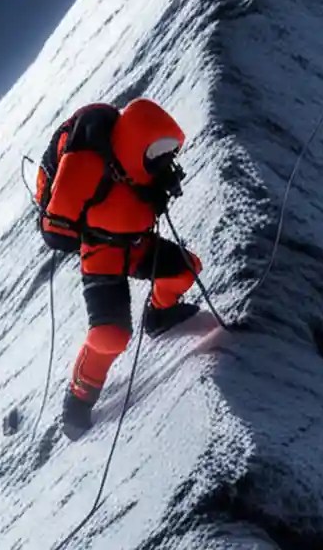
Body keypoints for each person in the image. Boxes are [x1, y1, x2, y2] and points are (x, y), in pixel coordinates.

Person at [34, 98, 202, 438]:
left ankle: (159, 316)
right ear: (136, 144)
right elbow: (55, 230)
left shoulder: (142, 166)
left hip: (135, 244)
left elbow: (139, 190)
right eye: (158, 152)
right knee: (110, 335)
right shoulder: (87, 164)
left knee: (186, 269)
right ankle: (78, 398)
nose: (163, 160)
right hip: (102, 252)